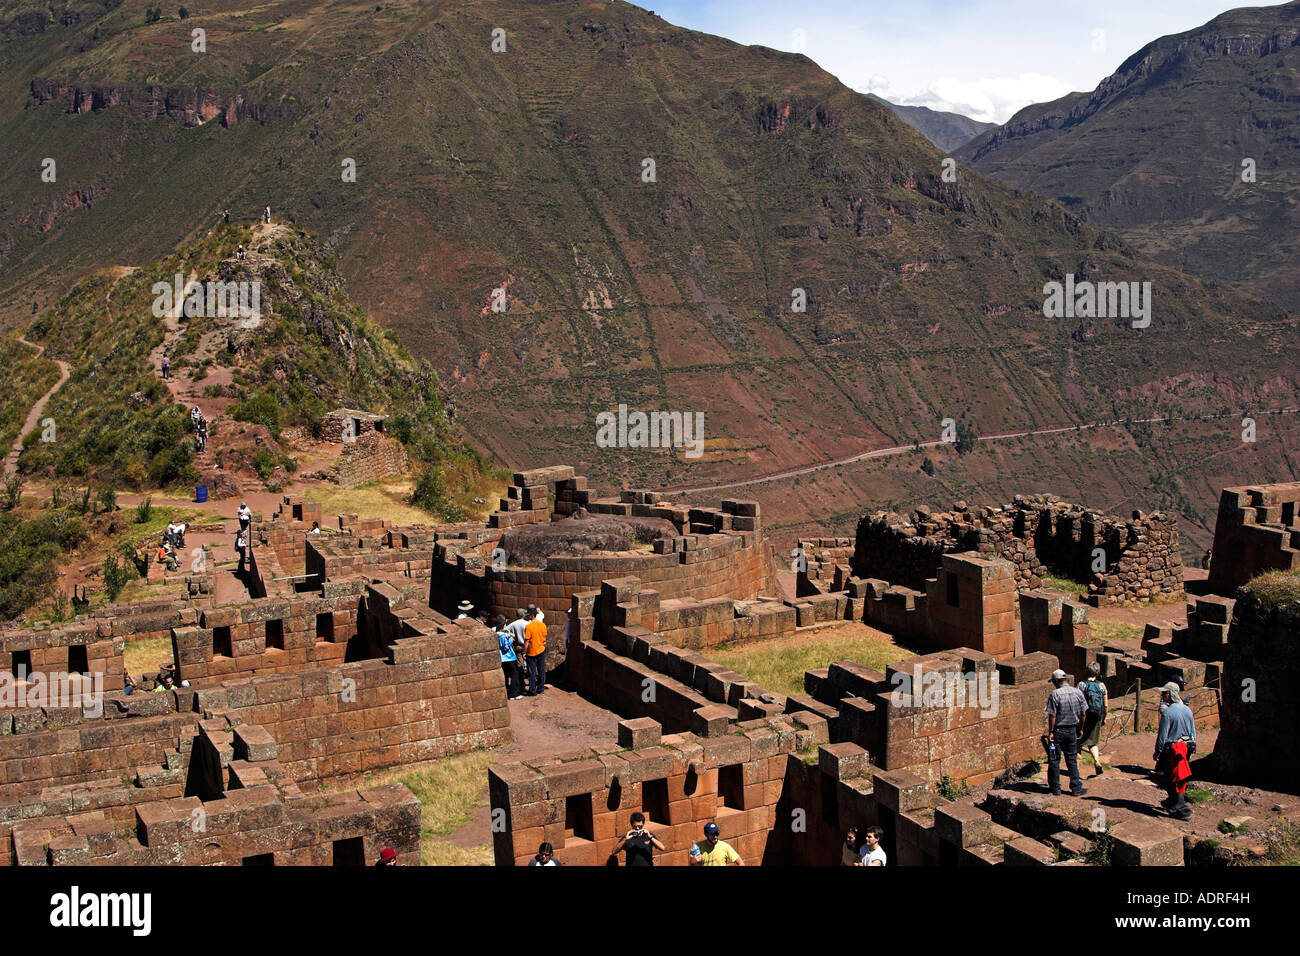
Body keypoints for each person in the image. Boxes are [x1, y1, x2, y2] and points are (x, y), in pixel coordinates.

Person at [1154, 681, 1197, 820]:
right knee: (1180, 776)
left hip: (1172, 749)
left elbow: (1163, 735)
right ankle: (1172, 803)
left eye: (1163, 693)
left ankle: (1182, 807)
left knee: (1168, 777)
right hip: (1187, 747)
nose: (1162, 696)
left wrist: (1158, 751)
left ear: (1169, 694)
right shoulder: (1187, 710)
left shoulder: (1168, 713)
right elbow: (1193, 731)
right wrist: (1193, 745)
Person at [1044, 668, 1088, 797]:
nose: (1053, 684)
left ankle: (1055, 788)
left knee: (1054, 759)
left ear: (1057, 681)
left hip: (1058, 731)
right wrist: (1080, 728)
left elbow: (1052, 715)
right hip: (1072, 730)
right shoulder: (1078, 693)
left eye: (1053, 682)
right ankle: (1076, 788)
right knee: (1071, 759)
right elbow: (1083, 714)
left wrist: (1051, 731)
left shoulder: (1055, 694)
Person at [1079, 661, 1108, 776]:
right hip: (1097, 716)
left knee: (1078, 742)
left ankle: (1076, 768)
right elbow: (1105, 705)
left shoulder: (1082, 685)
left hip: (1084, 717)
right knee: (1093, 743)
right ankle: (1096, 761)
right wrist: (1104, 717)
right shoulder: (1101, 685)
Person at [496, 616, 524, 700]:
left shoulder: (496, 634)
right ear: (503, 625)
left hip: (502, 658)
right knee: (514, 675)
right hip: (509, 658)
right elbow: (505, 646)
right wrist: (511, 638)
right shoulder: (502, 635)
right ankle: (514, 694)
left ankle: (507, 692)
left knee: (505, 675)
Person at [524, 608, 548, 696]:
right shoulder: (543, 625)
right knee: (541, 670)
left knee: (532, 672)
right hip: (541, 649)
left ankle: (533, 690)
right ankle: (541, 688)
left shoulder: (528, 627)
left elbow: (527, 641)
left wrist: (524, 652)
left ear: (531, 615)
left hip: (531, 652)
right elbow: (544, 637)